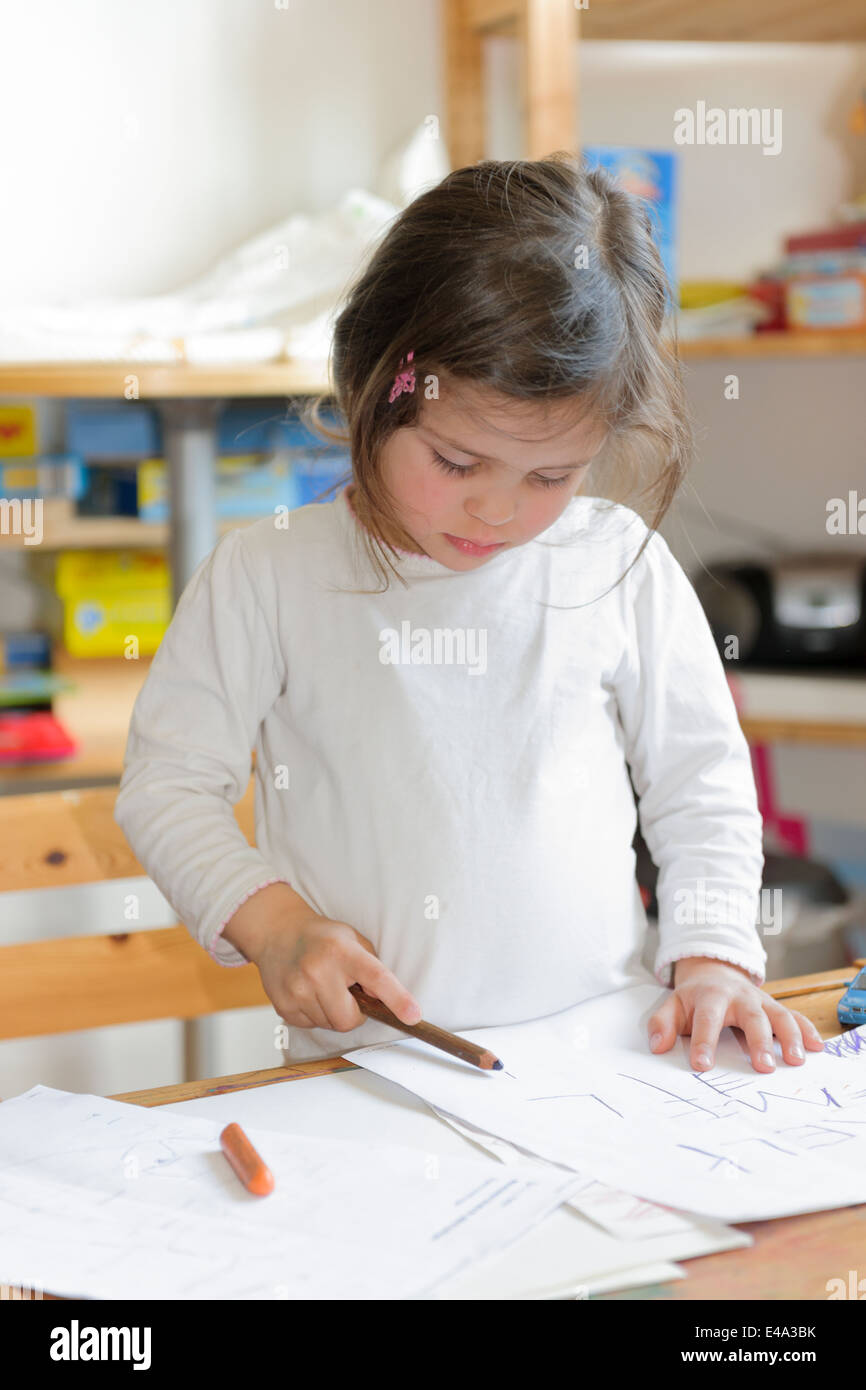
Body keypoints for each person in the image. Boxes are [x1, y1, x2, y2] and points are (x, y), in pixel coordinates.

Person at [115, 154, 824, 1075]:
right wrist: (276, 924)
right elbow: (168, 785)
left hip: (607, 1057)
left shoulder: (616, 563)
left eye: (550, 476)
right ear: (373, 385)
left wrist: (716, 952)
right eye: (455, 463)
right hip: (368, 1066)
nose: (498, 511)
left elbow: (703, 783)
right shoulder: (270, 574)